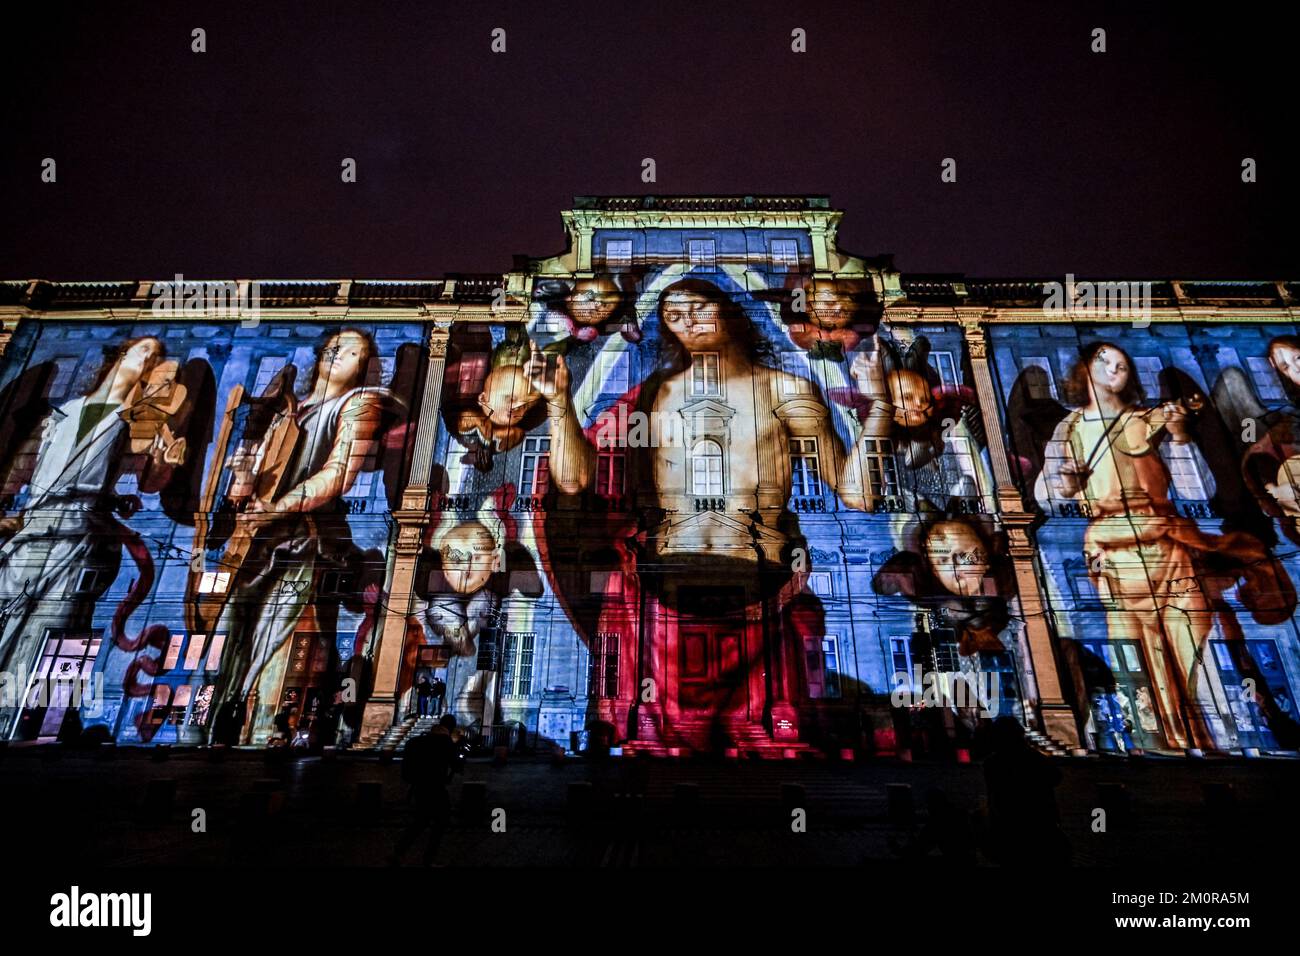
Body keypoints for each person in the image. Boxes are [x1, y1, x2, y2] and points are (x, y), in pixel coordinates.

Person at [206, 328, 399, 744]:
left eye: (351, 353)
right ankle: (217, 721)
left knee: (275, 637)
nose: (337, 354)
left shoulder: (358, 404)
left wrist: (279, 507)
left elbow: (337, 474)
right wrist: (241, 478)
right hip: (248, 542)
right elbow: (245, 483)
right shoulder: (285, 408)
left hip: (302, 540)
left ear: (364, 366)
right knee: (228, 630)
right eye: (333, 347)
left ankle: (262, 727)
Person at [0, 336, 188, 739]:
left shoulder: (139, 421)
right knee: (8, 621)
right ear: (120, 356)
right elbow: (20, 471)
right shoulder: (64, 411)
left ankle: (34, 724)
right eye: (145, 353)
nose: (151, 364)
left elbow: (150, 481)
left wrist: (165, 467)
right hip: (34, 528)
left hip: (83, 531)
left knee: (59, 629)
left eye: (157, 359)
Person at [982, 717, 1069, 866]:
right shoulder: (1034, 758)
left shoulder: (992, 763)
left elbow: (993, 795)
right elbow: (1056, 777)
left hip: (1009, 827)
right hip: (1040, 824)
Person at [390, 714, 460, 866]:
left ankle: (399, 852)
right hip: (436, 788)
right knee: (440, 822)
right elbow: (457, 766)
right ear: (451, 727)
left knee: (421, 821)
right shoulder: (445, 742)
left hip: (419, 787)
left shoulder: (420, 740)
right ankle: (427, 859)